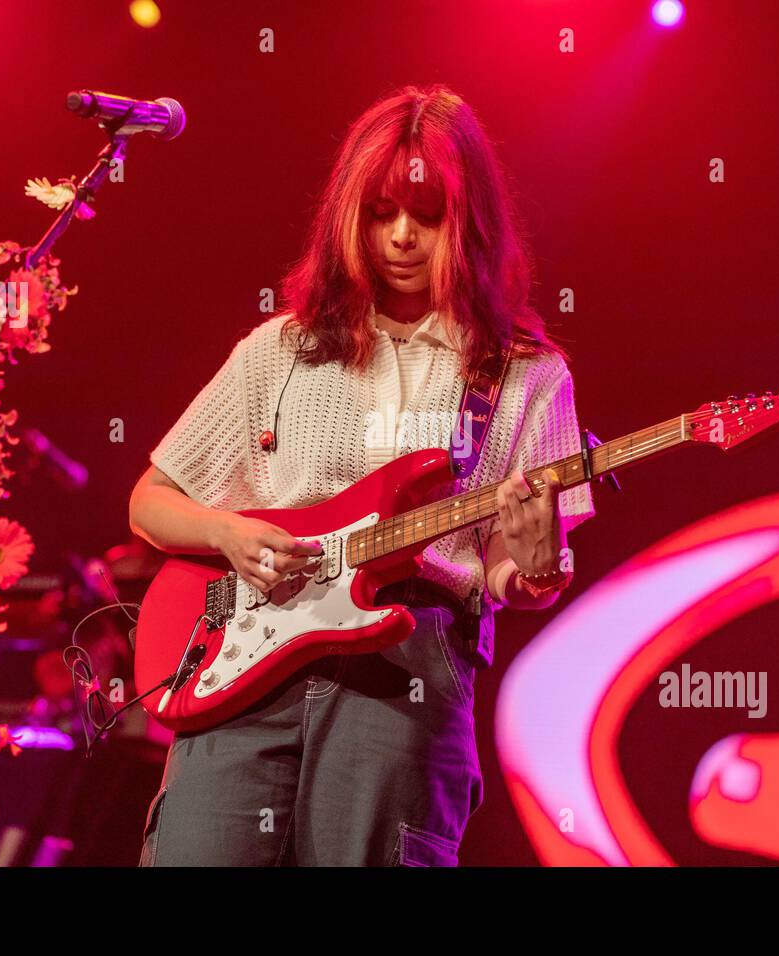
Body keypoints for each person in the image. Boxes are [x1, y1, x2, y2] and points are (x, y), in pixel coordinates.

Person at [129, 84, 594, 866]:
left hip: (407, 668)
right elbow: (150, 502)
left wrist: (536, 567)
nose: (402, 237)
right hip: (244, 658)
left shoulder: (524, 377)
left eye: (428, 216)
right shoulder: (280, 349)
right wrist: (227, 532)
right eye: (380, 214)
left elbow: (514, 577)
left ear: (469, 222)